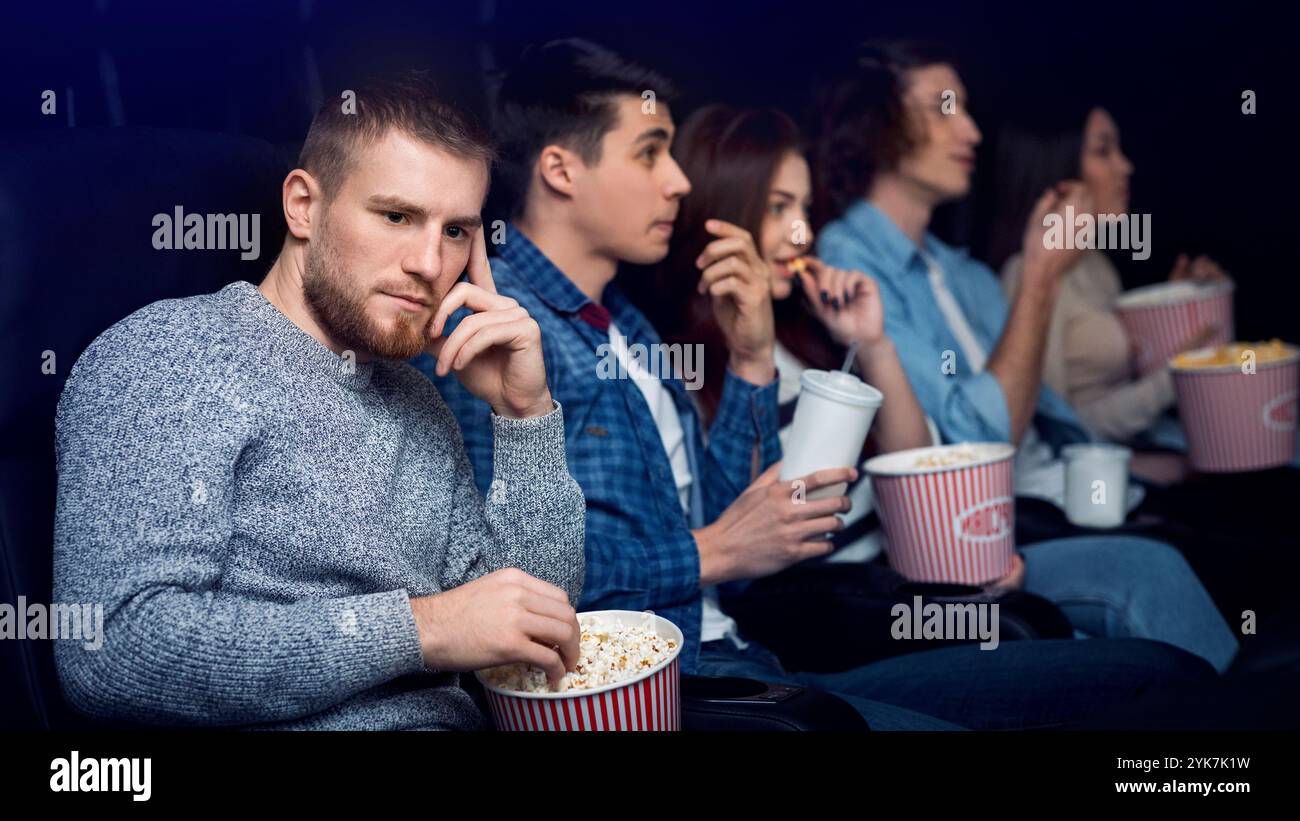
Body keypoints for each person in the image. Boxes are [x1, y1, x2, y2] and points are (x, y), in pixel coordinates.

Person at [428, 38, 1217, 730]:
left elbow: (737, 518)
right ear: (561, 169)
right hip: (673, 688)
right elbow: (507, 576)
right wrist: (709, 551)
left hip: (753, 659)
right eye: (649, 152)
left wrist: (750, 362)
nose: (675, 181)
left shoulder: (626, 323)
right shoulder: (503, 327)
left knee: (1153, 673)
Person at [52, 73, 586, 730]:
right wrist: (421, 629)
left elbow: (536, 636)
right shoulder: (169, 352)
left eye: (455, 232)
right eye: (397, 216)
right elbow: (113, 647)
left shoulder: (418, 403)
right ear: (303, 205)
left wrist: (524, 417)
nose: (428, 261)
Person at [636, 103, 1236, 674]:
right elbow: (745, 555)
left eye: (805, 208)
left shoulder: (811, 334)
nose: (800, 232)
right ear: (719, 215)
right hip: (846, 608)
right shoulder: (692, 368)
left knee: (1147, 574)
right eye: (775, 208)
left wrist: (873, 342)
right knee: (1100, 653)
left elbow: (913, 458)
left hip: (912, 569)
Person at [811, 39, 1300, 628]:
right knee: (1171, 564)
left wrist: (1150, 459)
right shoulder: (849, 259)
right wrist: (1041, 275)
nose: (971, 131)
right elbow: (984, 442)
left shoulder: (963, 271)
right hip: (996, 527)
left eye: (966, 109)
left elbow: (1056, 417)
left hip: (1070, 494)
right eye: (945, 108)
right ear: (878, 128)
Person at [989, 100, 1227, 480]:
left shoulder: (1095, 263)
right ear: (1058, 170)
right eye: (1104, 151)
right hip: (1092, 476)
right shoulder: (1026, 278)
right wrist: (1176, 377)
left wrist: (1179, 307)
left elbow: (1127, 381)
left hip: (1136, 447)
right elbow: (1055, 432)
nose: (1125, 166)